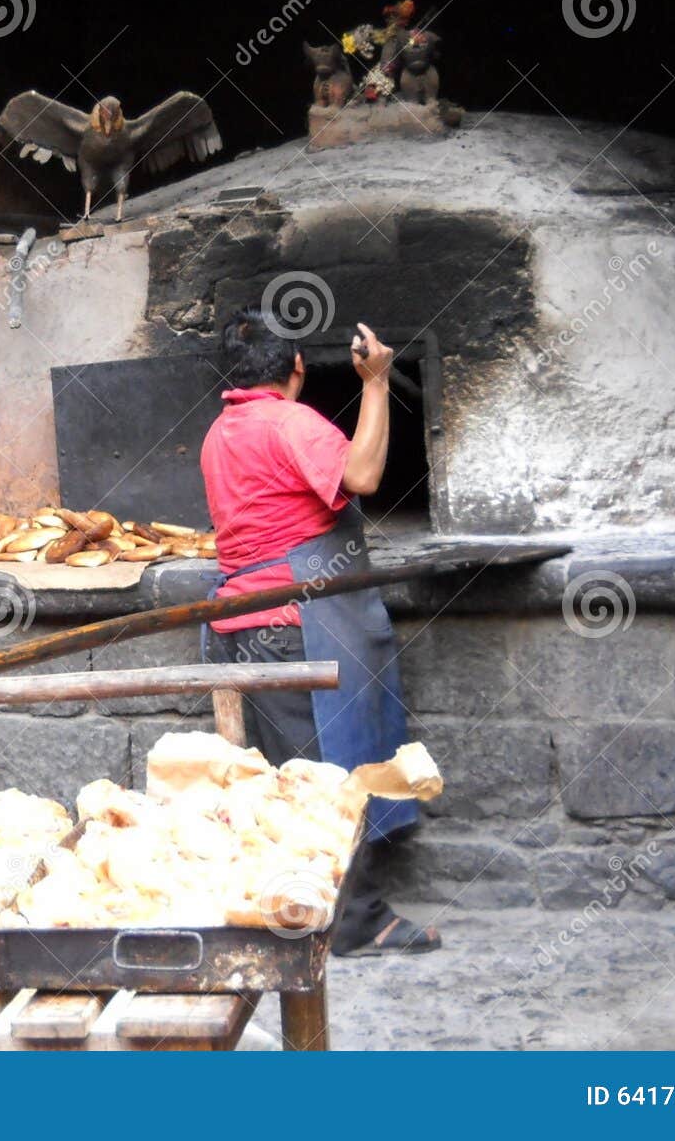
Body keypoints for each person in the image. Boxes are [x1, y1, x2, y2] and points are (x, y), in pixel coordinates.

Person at [200, 306, 440, 956]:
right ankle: (356, 920)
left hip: (245, 628)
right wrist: (376, 383)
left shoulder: (220, 433)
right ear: (298, 368)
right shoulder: (291, 422)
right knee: (332, 777)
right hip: (298, 624)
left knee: (293, 777)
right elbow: (362, 477)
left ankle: (302, 909)